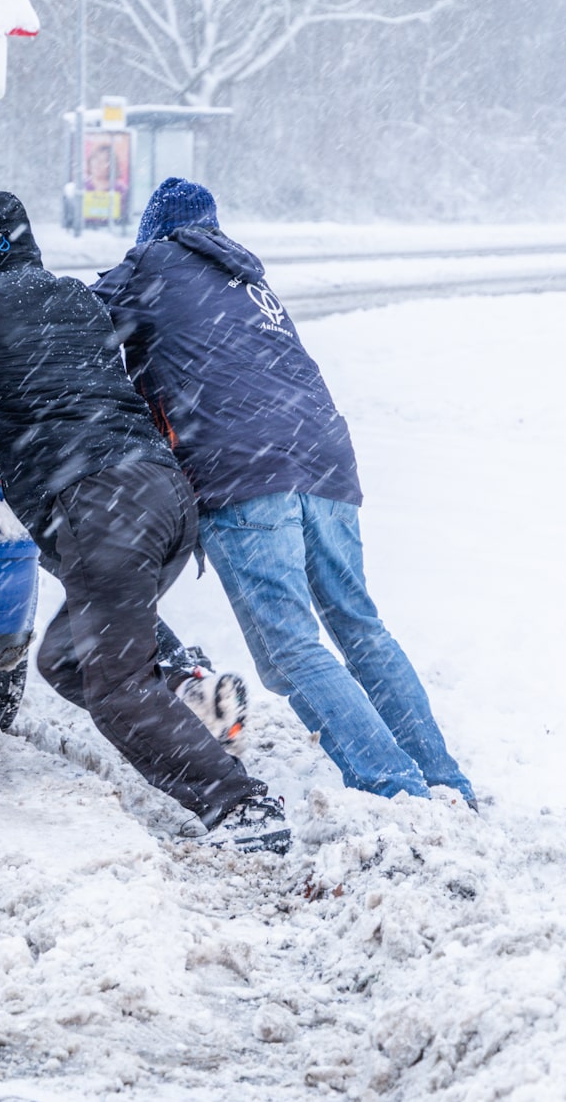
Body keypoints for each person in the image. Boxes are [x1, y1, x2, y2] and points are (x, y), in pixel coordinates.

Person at [0, 191, 290, 852]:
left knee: (115, 690)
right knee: (65, 656)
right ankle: (184, 684)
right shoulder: (77, 297)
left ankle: (242, 807)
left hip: (102, 505)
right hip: (165, 499)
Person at [94, 178, 474, 806]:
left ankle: (394, 789)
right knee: (359, 626)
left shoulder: (154, 261)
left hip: (243, 468)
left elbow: (73, 319)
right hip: (325, 459)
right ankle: (444, 780)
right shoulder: (248, 280)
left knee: (290, 648)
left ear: (155, 231)